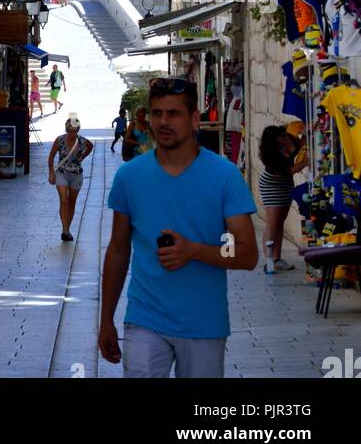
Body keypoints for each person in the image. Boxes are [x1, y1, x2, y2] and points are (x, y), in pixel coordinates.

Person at [98, 76, 258, 379]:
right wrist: (106, 319)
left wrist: (195, 251)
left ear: (194, 119)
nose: (163, 122)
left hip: (204, 324)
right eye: (157, 113)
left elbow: (247, 253)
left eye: (173, 113)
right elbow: (118, 248)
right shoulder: (130, 177)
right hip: (144, 318)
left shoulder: (224, 176)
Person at [258, 125, 306, 272]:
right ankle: (269, 260)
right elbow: (287, 171)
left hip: (286, 184)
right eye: (279, 139)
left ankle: (277, 258)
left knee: (280, 222)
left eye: (283, 135)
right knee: (272, 223)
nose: (283, 139)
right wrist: (304, 163)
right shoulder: (271, 156)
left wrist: (307, 132)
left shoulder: (289, 137)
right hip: (272, 185)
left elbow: (300, 142)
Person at [48, 116, 94, 241]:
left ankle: (68, 228)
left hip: (76, 175)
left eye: (75, 131)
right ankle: (64, 229)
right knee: (64, 200)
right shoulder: (60, 140)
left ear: (78, 130)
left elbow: (91, 146)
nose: (72, 133)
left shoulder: (82, 141)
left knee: (72, 201)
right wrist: (51, 173)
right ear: (66, 129)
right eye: (70, 130)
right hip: (62, 173)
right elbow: (51, 157)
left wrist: (82, 157)